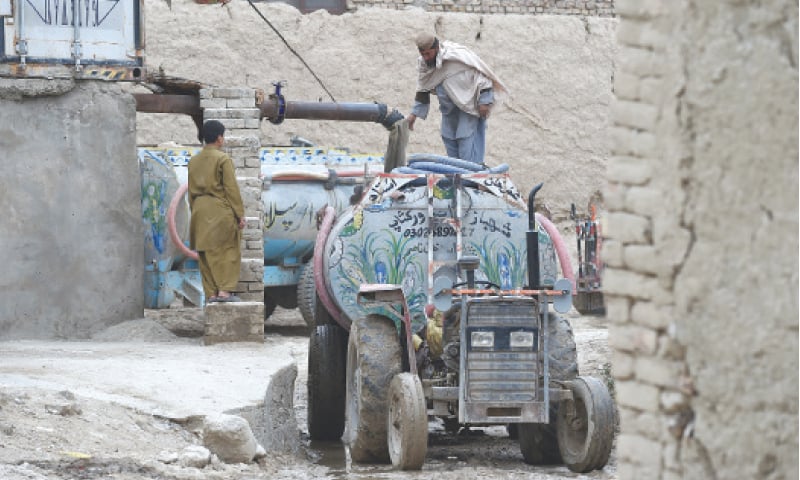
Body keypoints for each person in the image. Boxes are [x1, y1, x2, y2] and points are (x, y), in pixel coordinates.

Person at [407, 32, 508, 165]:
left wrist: (484, 102)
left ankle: (470, 178)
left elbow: (482, 77)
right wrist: (413, 116)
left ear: (436, 48)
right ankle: (456, 179)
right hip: (448, 112)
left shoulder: (456, 58)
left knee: (465, 140)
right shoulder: (425, 66)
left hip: (468, 108)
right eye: (422, 54)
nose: (425, 58)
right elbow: (423, 89)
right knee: (448, 138)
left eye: (428, 54)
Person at [188, 120, 246, 303]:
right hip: (219, 209)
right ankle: (224, 291)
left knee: (204, 253)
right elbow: (231, 189)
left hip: (199, 210)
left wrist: (196, 211)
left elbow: (190, 191)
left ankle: (211, 293)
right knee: (227, 250)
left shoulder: (194, 161)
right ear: (220, 138)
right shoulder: (222, 159)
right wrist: (239, 213)